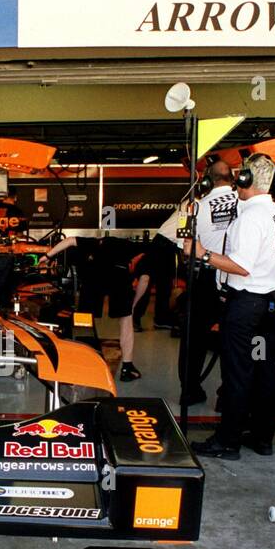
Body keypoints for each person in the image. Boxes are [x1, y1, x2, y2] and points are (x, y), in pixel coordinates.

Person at [183, 153, 275, 460]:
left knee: (238, 373)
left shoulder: (251, 216)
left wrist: (203, 254)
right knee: (263, 368)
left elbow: (241, 266)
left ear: (246, 179)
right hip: (269, 309)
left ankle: (227, 441)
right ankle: (263, 438)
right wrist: (271, 268)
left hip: (246, 308)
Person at [164, 159, 238, 406]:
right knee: (234, 341)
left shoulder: (194, 207)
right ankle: (227, 398)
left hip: (204, 276)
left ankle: (190, 391)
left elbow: (183, 247)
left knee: (193, 339)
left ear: (207, 180)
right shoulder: (244, 204)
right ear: (235, 178)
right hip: (237, 276)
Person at [44, 234, 144, 381]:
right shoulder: (132, 247)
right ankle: (127, 368)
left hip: (93, 274)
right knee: (125, 319)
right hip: (119, 274)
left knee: (85, 319)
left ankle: (86, 362)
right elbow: (145, 276)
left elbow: (69, 240)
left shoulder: (91, 242)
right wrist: (134, 304)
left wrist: (47, 256)